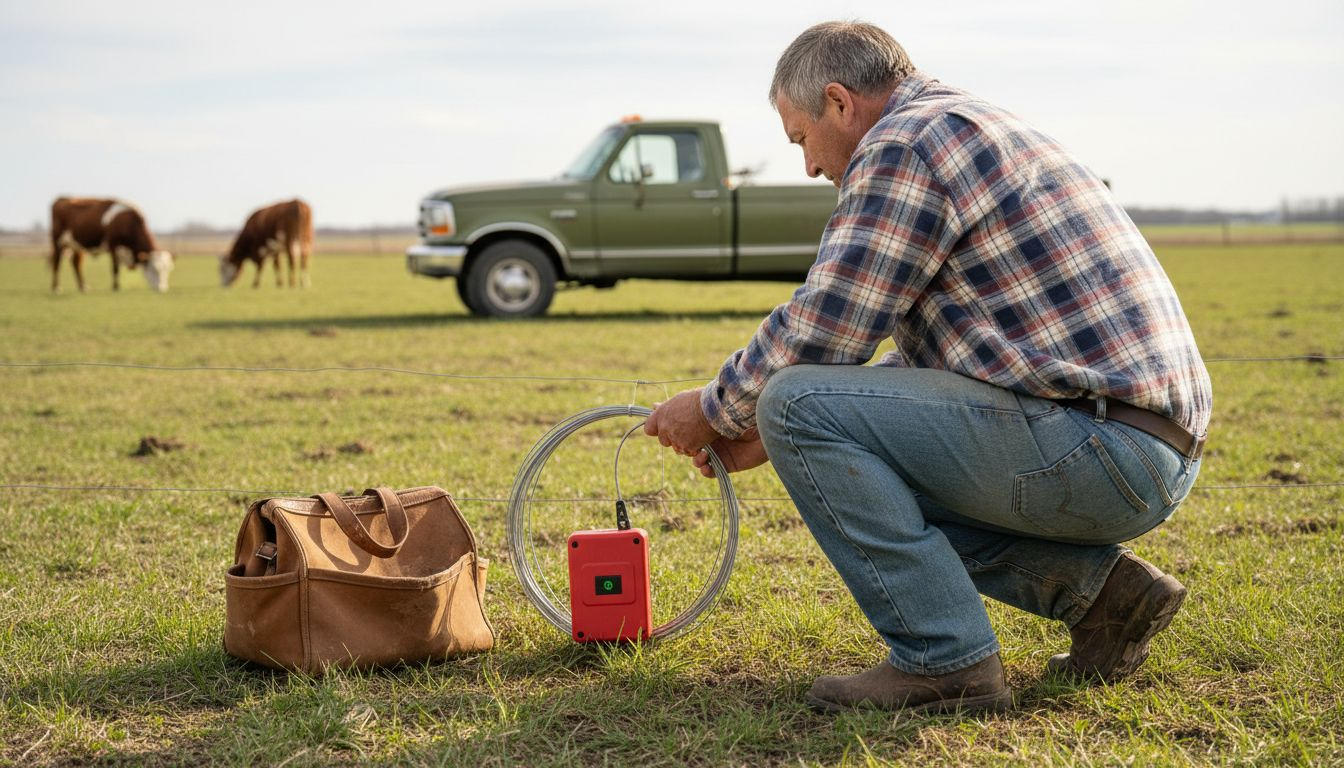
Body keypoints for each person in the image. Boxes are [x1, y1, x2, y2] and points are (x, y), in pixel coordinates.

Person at [644, 20, 1211, 714]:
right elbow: (918, 367)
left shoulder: (905, 144)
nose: (810, 167)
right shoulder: (964, 123)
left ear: (839, 103)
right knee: (798, 412)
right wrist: (763, 433)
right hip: (1136, 443)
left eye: (801, 140)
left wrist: (714, 407)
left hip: (1097, 446)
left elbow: (828, 325)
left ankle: (944, 661)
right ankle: (1103, 597)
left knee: (794, 400)